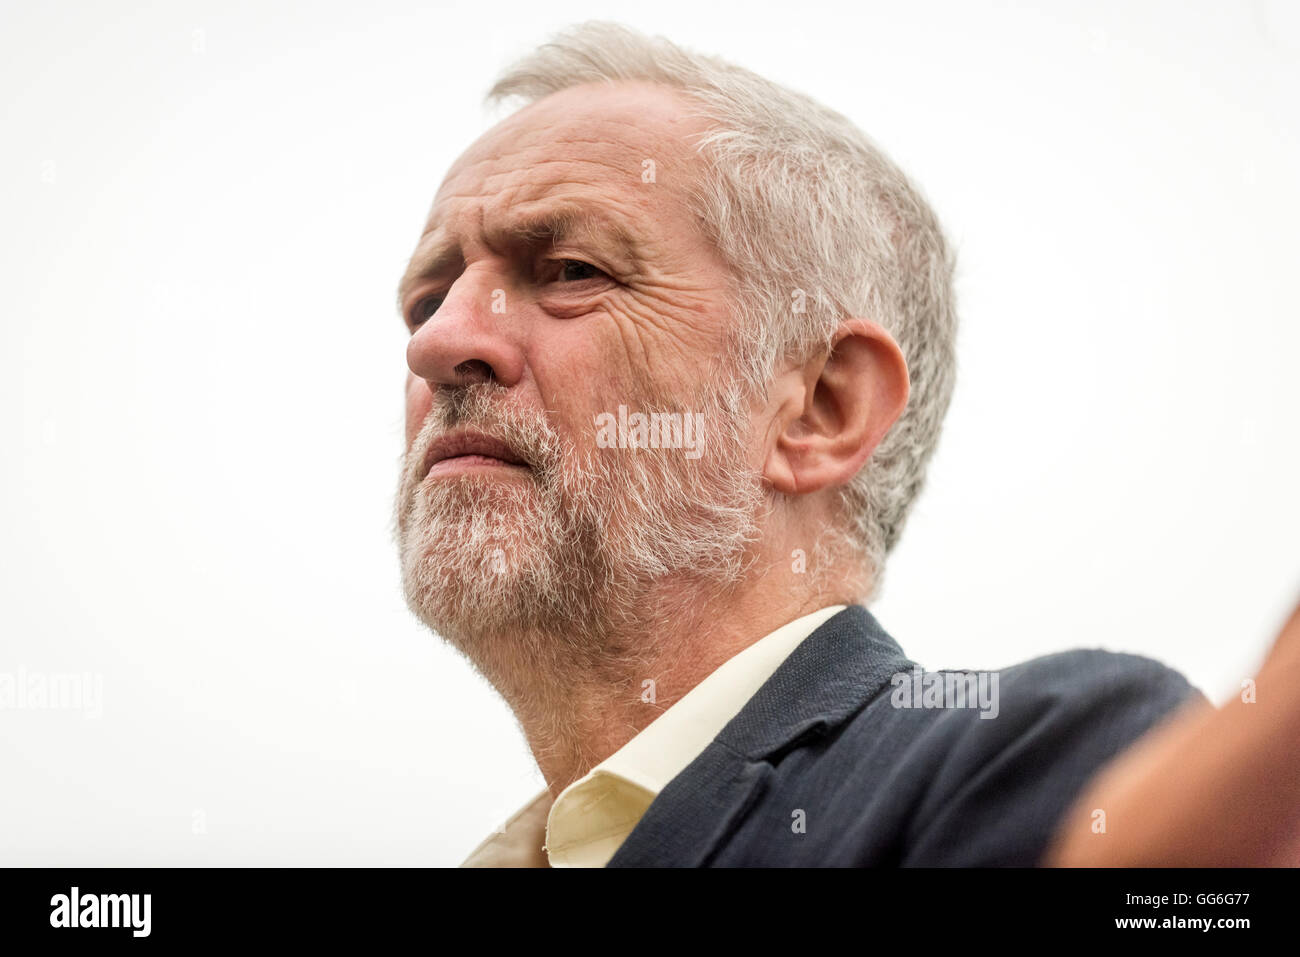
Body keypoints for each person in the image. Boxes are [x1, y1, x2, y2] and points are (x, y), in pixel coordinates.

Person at [392, 21, 1293, 866]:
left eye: (571, 272)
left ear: (821, 408)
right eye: (428, 298)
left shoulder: (1032, 758)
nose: (436, 343)